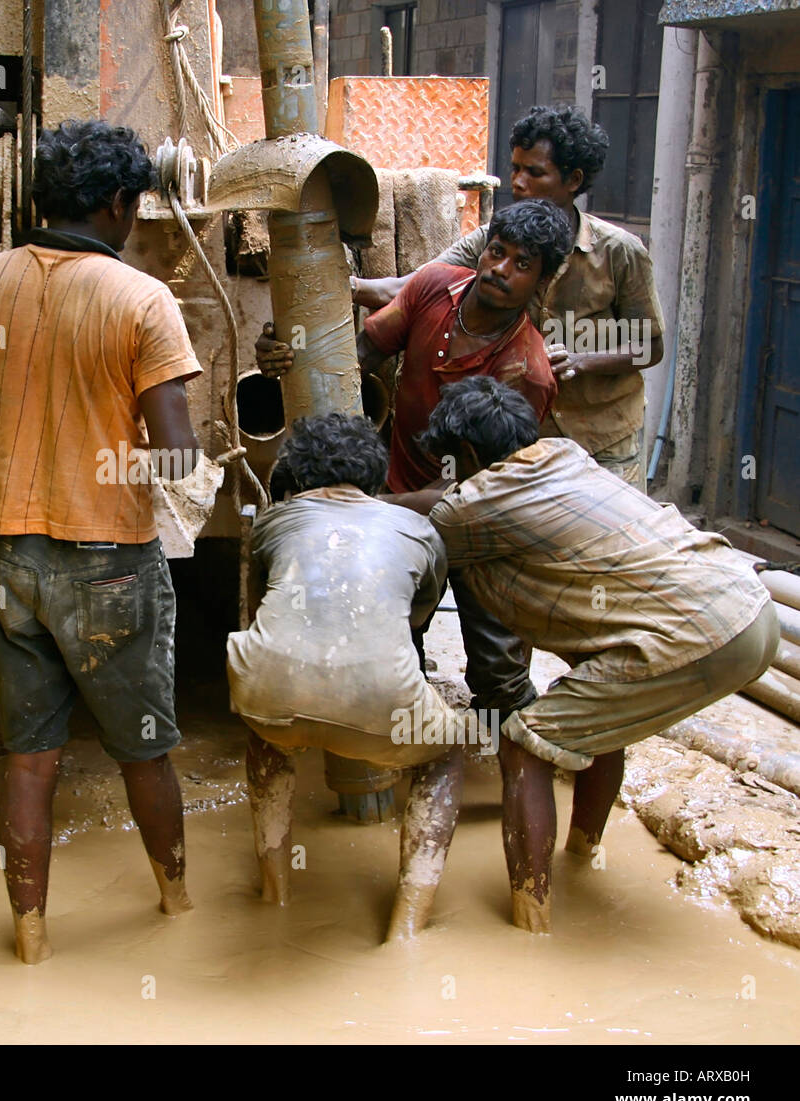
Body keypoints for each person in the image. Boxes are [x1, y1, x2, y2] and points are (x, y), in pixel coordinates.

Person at [0, 118, 202, 964]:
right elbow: (175, 454)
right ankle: (177, 899)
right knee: (144, 751)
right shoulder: (142, 299)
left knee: (29, 759)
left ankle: (31, 935)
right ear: (120, 203)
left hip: (11, 557)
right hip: (109, 560)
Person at [398, 377, 779, 934]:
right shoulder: (566, 455)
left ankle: (532, 920)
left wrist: (366, 501)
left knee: (521, 743)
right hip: (751, 609)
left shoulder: (472, 509)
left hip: (700, 635)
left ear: (471, 455)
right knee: (600, 724)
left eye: (451, 461)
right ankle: (583, 853)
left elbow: (429, 517)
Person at [260, 197, 571, 729]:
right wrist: (287, 356)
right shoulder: (434, 287)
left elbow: (469, 489)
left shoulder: (528, 370)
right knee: (391, 639)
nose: (501, 270)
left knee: (497, 670)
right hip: (400, 490)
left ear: (541, 283)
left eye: (523, 265)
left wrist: (374, 508)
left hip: (481, 525)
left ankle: (513, 770)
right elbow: (352, 362)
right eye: (498, 251)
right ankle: (397, 757)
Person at [228, 412, 467, 942]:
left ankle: (275, 890)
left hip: (271, 693)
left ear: (296, 473)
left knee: (267, 734)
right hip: (383, 698)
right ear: (377, 476)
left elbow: (258, 611)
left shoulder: (273, 522)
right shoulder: (416, 528)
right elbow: (415, 619)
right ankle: (407, 923)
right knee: (445, 752)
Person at [351, 105, 665, 489]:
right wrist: (346, 285)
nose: (517, 182)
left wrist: (583, 361)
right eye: (515, 168)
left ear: (573, 179)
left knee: (612, 537)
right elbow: (415, 284)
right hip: (533, 435)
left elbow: (651, 346)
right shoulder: (494, 240)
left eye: (534, 172)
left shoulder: (619, 252)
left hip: (603, 435)